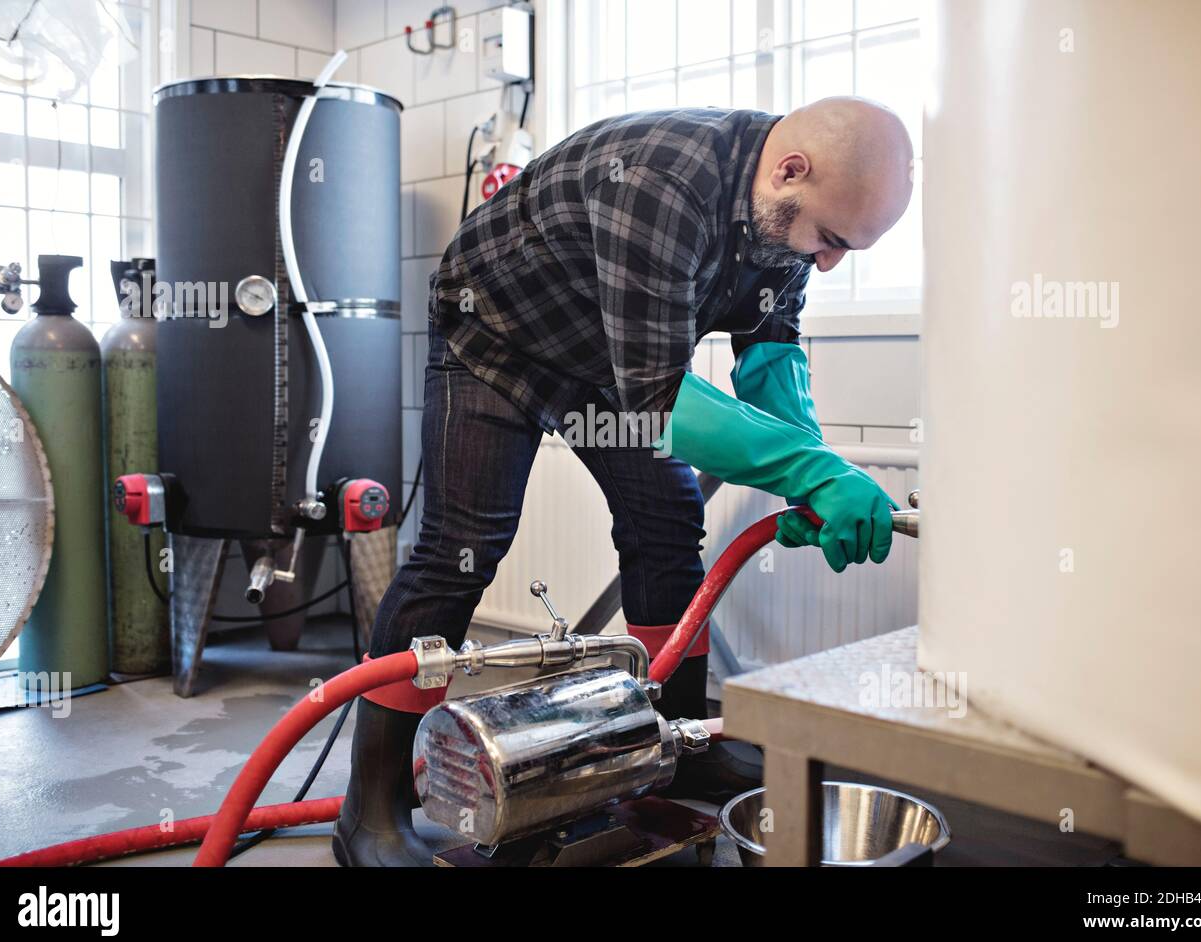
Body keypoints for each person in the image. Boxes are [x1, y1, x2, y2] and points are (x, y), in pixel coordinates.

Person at [333, 96, 915, 866]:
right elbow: (659, 397)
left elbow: (769, 351)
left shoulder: (786, 221)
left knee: (668, 524)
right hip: (499, 343)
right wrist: (817, 472)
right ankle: (369, 806)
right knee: (460, 549)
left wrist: (806, 480)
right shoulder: (663, 181)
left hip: (607, 360)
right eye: (832, 239)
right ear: (790, 171)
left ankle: (680, 743)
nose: (830, 261)